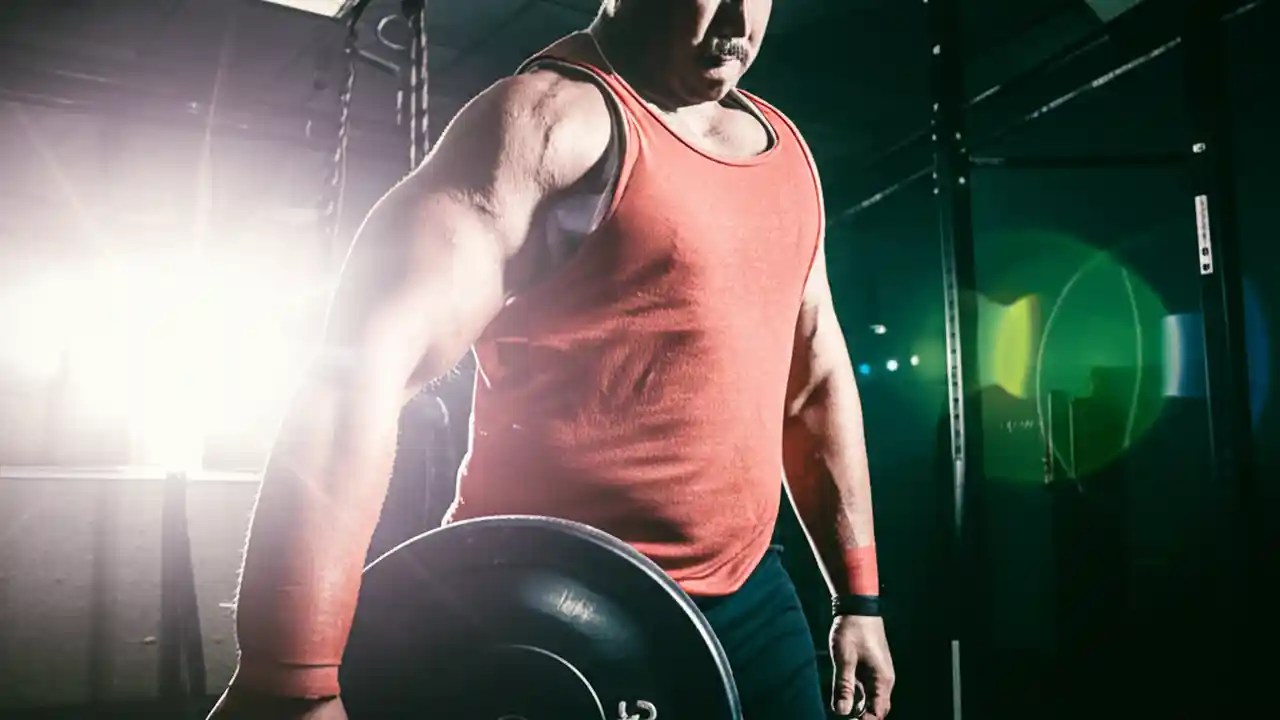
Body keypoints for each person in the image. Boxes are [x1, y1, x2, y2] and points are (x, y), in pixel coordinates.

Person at [208, 1, 894, 718]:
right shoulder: (549, 125)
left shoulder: (782, 149)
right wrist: (289, 678)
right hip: (550, 599)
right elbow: (357, 376)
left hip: (750, 598)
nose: (736, 16)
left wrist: (860, 598)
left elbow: (813, 380)